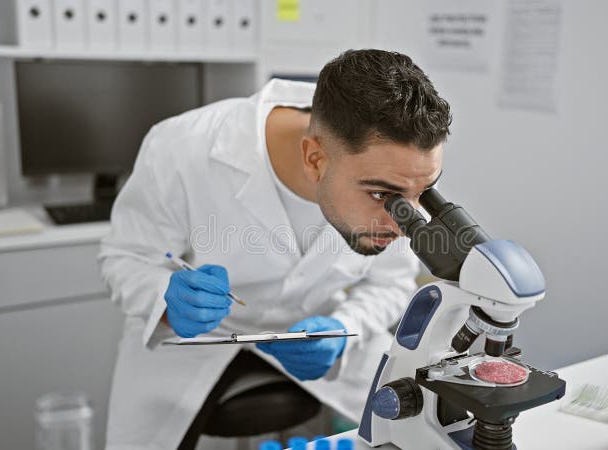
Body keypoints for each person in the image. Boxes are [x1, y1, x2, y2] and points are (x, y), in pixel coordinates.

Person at [98, 49, 451, 449]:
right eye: (379, 195)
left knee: (419, 433)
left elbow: (392, 283)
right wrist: (166, 300)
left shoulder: (394, 169)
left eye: (422, 193)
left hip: (314, 325)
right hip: (194, 341)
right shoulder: (183, 146)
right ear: (314, 159)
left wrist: (344, 330)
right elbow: (125, 256)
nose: (402, 224)